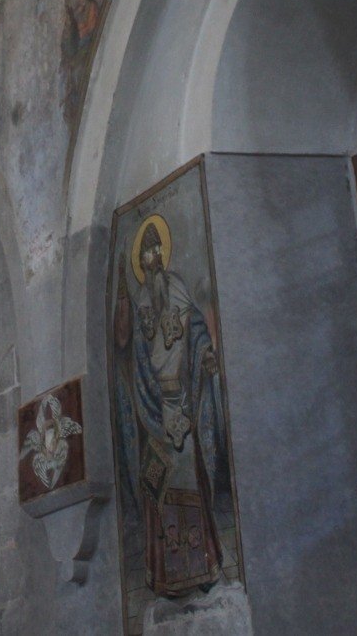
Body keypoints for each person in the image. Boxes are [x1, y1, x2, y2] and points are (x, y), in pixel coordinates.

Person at [113, 216, 234, 599]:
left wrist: (205, 353)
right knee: (158, 490)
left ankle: (204, 565)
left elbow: (196, 328)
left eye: (156, 249)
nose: (153, 257)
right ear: (141, 261)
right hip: (152, 409)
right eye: (146, 252)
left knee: (191, 483)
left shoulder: (177, 287)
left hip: (182, 402)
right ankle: (165, 573)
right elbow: (131, 352)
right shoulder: (140, 304)